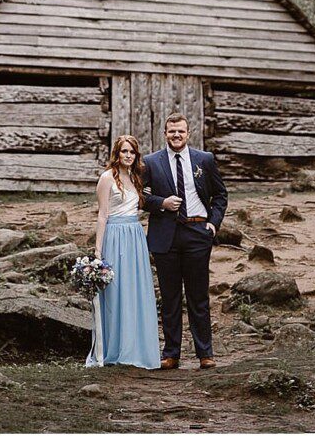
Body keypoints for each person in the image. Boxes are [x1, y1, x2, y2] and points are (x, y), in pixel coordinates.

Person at [141, 113, 228, 370]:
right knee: (170, 298)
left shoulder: (205, 160)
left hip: (197, 233)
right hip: (165, 235)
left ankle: (205, 353)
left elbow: (221, 194)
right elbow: (139, 196)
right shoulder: (151, 162)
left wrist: (213, 223)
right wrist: (162, 203)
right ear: (164, 133)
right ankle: (171, 354)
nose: (176, 135)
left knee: (198, 296)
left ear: (188, 133)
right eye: (171, 132)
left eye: (180, 131)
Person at [84, 134, 160, 369]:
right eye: (123, 152)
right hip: (115, 236)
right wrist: (98, 251)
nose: (127, 156)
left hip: (135, 235)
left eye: (132, 152)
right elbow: (103, 215)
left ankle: (137, 348)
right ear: (116, 154)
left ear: (136, 156)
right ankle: (114, 349)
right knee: (117, 292)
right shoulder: (107, 178)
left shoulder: (136, 178)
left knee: (135, 289)